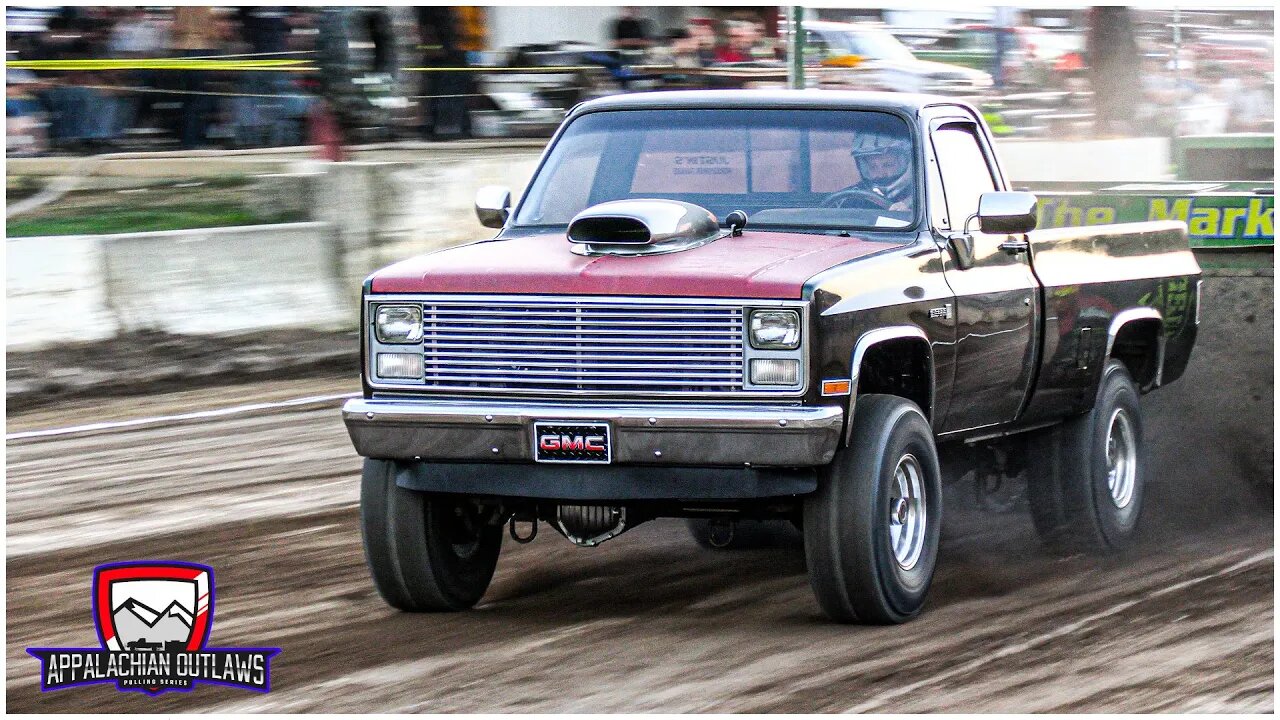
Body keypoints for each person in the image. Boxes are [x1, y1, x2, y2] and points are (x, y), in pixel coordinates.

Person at [827, 132, 913, 212]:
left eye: (888, 165)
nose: (880, 174)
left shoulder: (918, 197)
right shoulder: (849, 198)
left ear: (904, 164)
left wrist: (907, 213)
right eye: (873, 167)